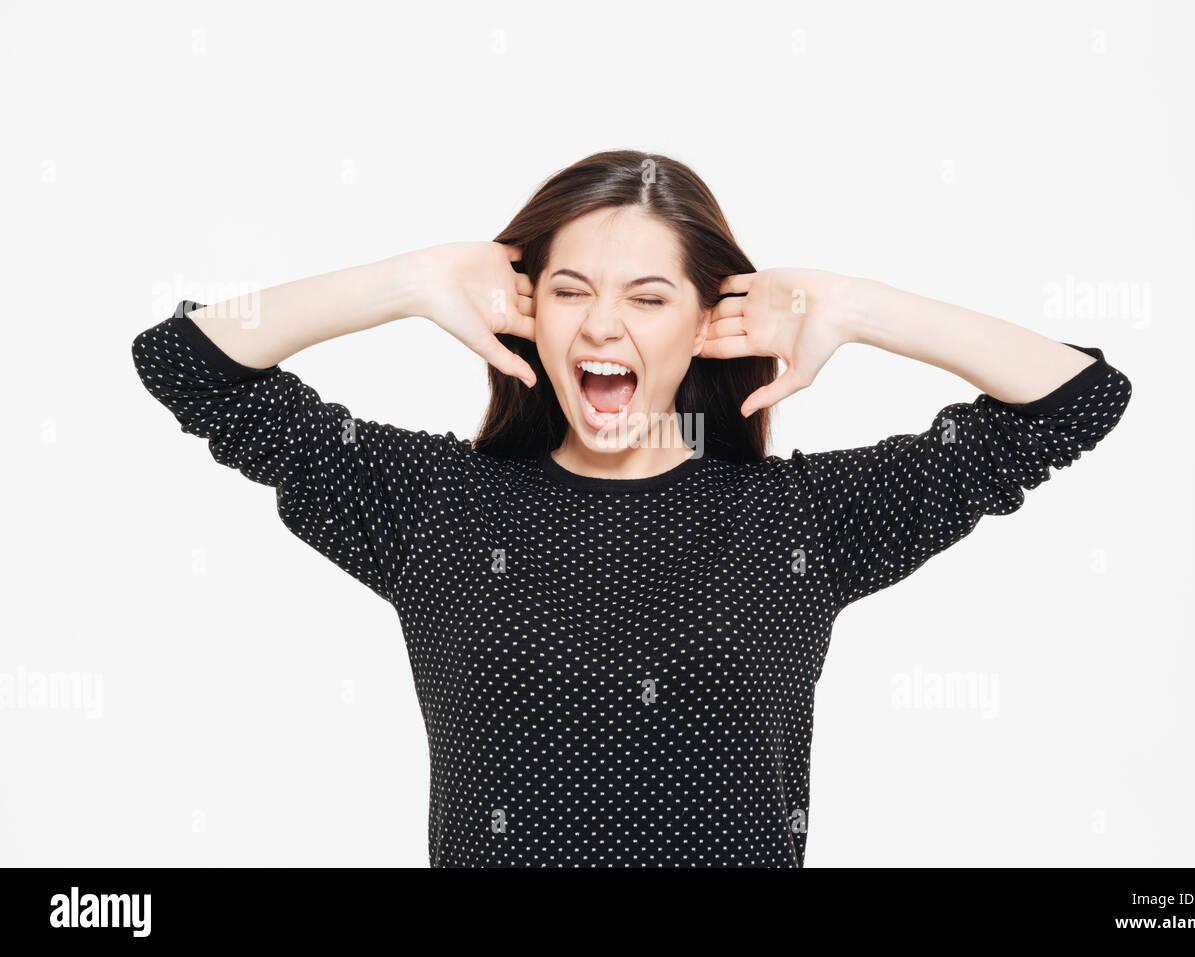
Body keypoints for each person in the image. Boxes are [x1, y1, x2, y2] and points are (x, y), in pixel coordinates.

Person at [131, 149, 1133, 867]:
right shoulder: (431, 504)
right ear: (527, 311)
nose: (602, 323)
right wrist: (408, 280)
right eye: (570, 292)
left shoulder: (802, 520)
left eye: (650, 299)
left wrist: (861, 308)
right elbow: (186, 366)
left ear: (711, 324)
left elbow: (1075, 399)